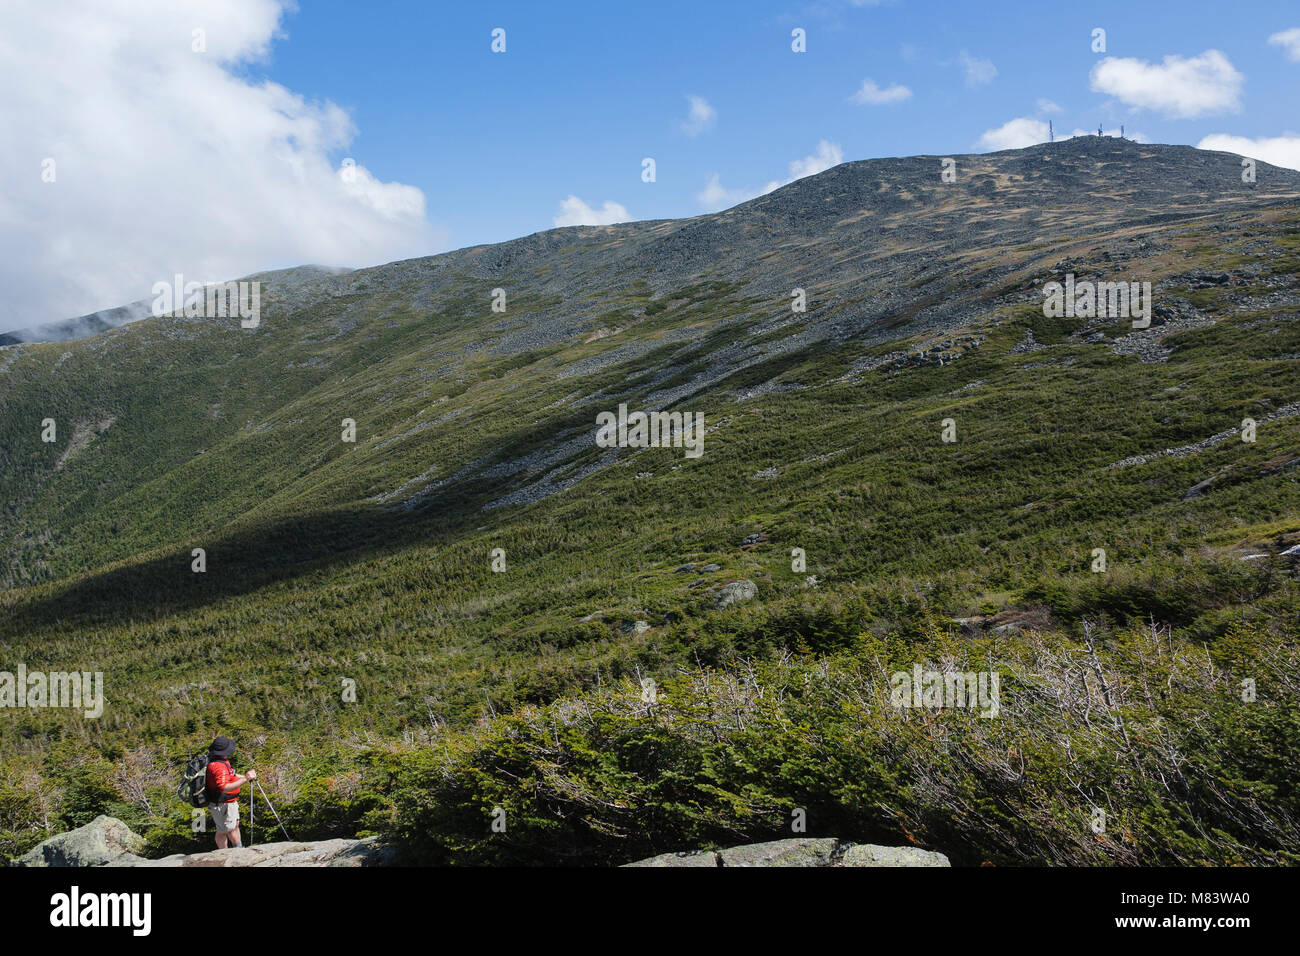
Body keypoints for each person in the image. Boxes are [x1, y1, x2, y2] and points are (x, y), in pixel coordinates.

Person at [204, 736, 256, 849]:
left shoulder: (218, 760)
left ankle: (238, 849)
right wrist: (245, 779)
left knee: (233, 826)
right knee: (223, 830)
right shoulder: (218, 766)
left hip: (228, 802)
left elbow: (231, 775)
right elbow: (225, 787)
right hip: (222, 804)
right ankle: (224, 854)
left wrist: (246, 777)